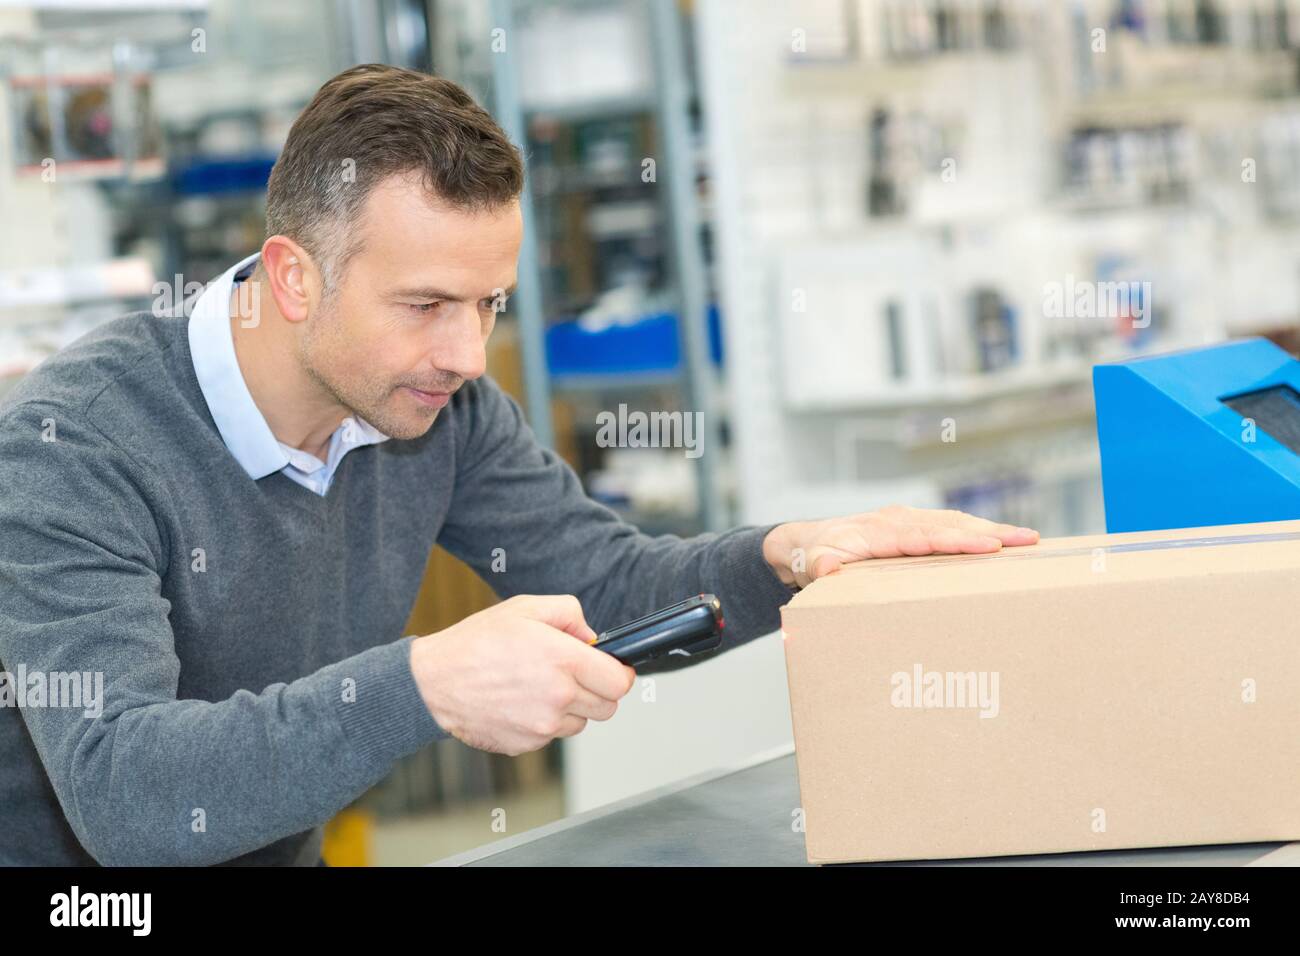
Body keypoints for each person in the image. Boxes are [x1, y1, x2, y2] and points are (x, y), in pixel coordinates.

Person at [0, 65, 1039, 866]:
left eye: (489, 302)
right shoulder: (75, 446)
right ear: (293, 277)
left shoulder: (436, 411)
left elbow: (612, 587)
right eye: (425, 304)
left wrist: (790, 555)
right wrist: (425, 684)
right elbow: (124, 791)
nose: (465, 351)